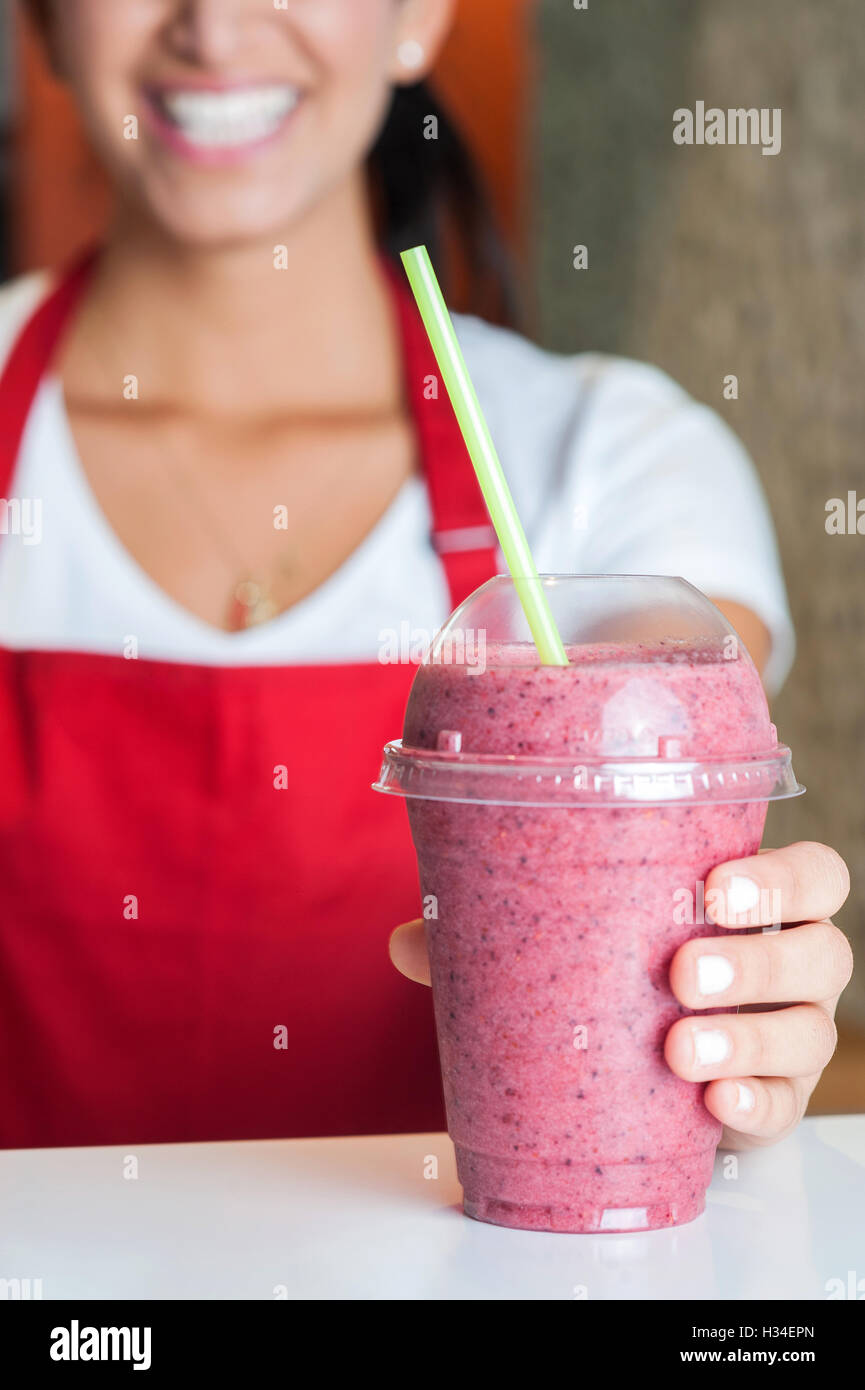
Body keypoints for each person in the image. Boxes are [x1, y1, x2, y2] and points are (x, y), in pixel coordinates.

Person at [0, 0, 850, 1152]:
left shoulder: (612, 468)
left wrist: (725, 1045)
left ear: (417, 17)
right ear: (41, 23)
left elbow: (676, 928)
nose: (211, 24)